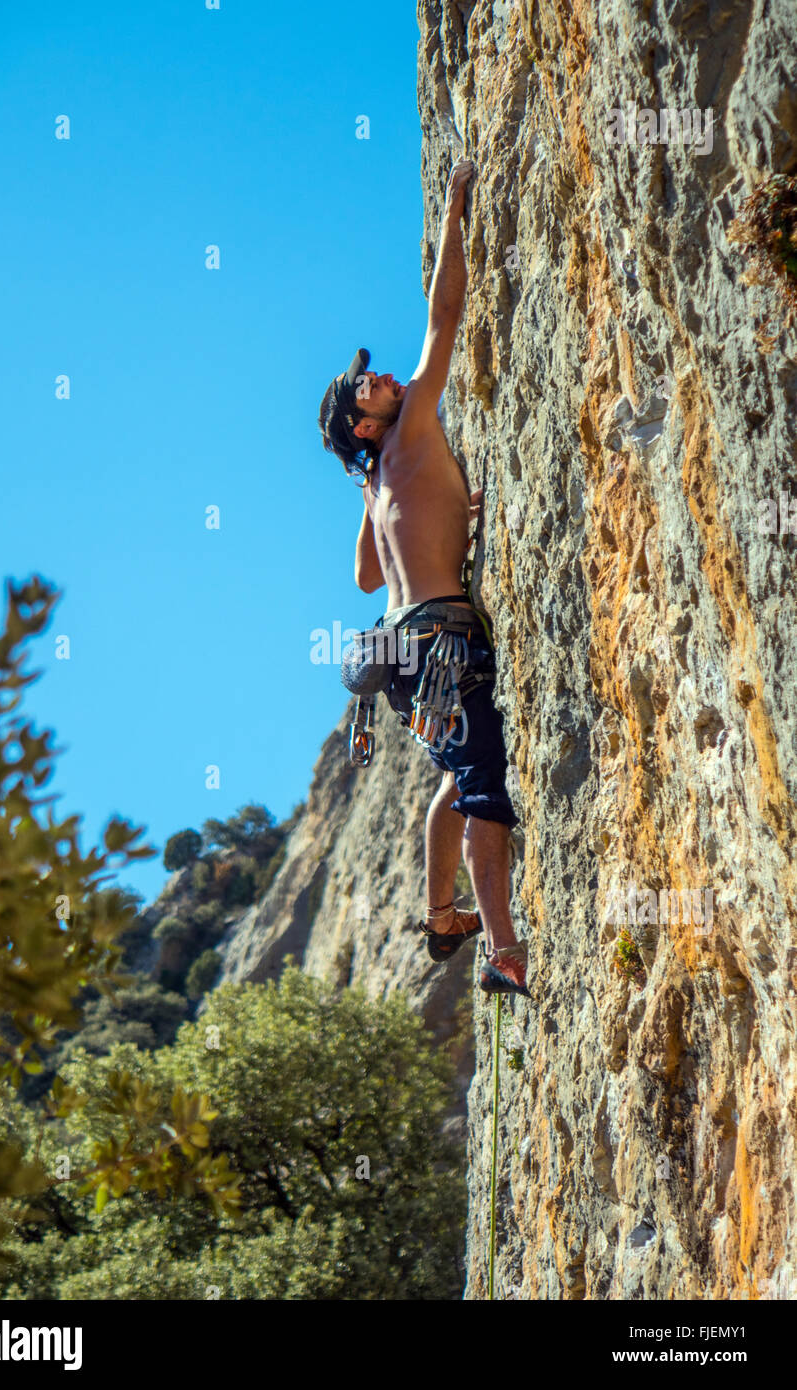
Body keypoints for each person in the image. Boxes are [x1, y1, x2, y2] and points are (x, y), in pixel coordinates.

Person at [317, 159, 529, 998]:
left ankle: (444, 915)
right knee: (483, 786)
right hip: (443, 637)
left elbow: (369, 577)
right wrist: (457, 204)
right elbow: (446, 313)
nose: (385, 377)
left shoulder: (376, 479)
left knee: (453, 775)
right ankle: (501, 951)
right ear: (365, 419)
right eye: (368, 385)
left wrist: (409, 504)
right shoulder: (409, 430)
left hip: (403, 659)